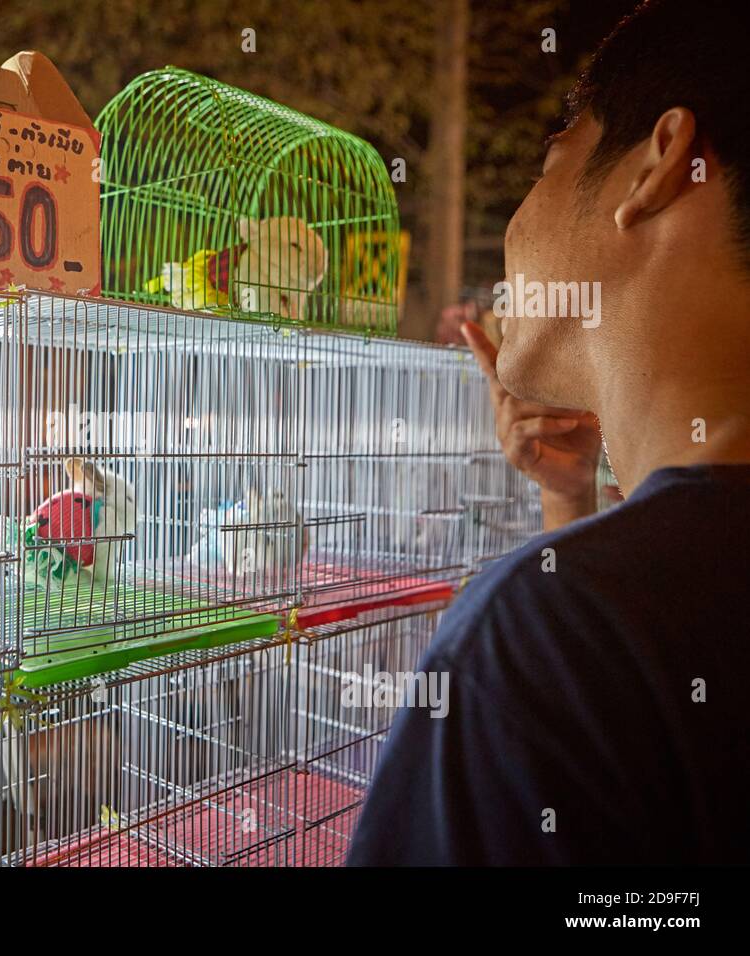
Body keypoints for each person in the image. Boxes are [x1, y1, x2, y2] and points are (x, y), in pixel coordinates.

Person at [348, 0, 750, 865]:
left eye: (549, 162)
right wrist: (572, 503)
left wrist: (565, 582)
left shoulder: (538, 643)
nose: (515, 233)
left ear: (661, 164)